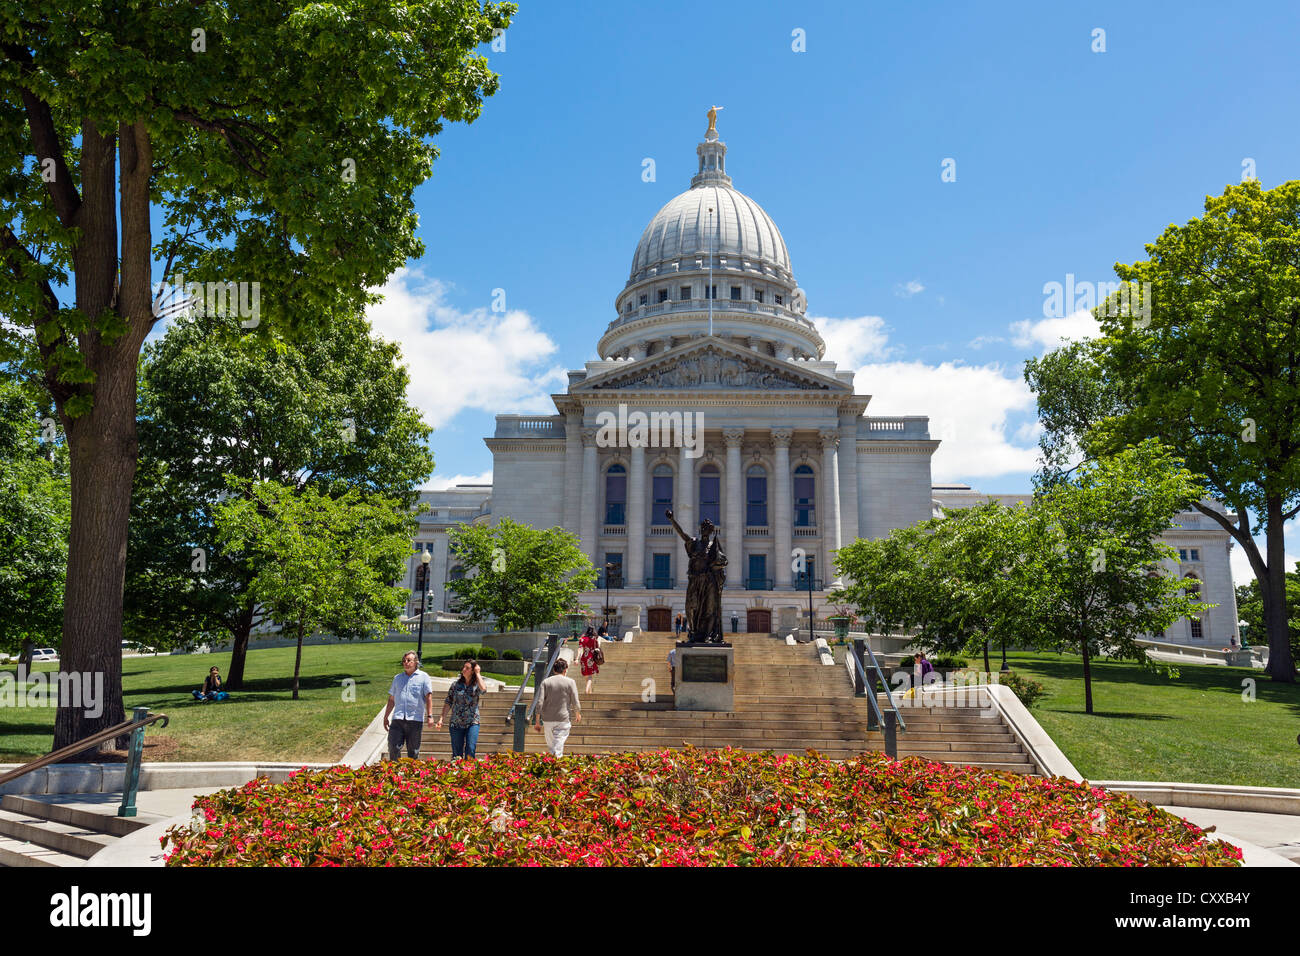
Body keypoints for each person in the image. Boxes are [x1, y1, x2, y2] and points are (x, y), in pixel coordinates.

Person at [384, 651, 434, 760]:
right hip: (398, 719)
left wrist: (430, 716)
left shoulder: (424, 677)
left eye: (409, 660)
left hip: (415, 720)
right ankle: (394, 773)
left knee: (413, 752)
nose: (406, 663)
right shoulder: (397, 678)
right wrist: (386, 716)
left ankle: (410, 775)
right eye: (404, 661)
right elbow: (391, 699)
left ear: (416, 662)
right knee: (393, 747)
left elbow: (428, 697)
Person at [437, 658, 487, 759]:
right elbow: (448, 702)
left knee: (470, 749)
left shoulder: (476, 685)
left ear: (472, 671)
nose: (463, 669)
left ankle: (469, 772)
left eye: (467, 668)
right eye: (464, 667)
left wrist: (478, 673)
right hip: (456, 723)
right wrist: (442, 718)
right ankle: (457, 773)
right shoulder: (455, 685)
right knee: (457, 754)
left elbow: (484, 689)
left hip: (472, 722)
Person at [533, 657, 581, 757]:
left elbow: (540, 702)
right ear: (565, 669)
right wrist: (577, 713)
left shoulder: (546, 682)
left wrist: (537, 721)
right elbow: (575, 700)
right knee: (557, 745)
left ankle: (553, 764)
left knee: (552, 746)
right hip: (563, 718)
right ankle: (556, 764)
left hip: (547, 719)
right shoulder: (570, 682)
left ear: (554, 670)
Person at [578, 624, 601, 694]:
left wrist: (576, 658)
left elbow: (580, 648)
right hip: (591, 658)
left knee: (586, 674)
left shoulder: (583, 639)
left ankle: (589, 692)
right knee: (590, 676)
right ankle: (587, 689)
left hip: (584, 658)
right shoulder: (594, 639)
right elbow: (597, 648)